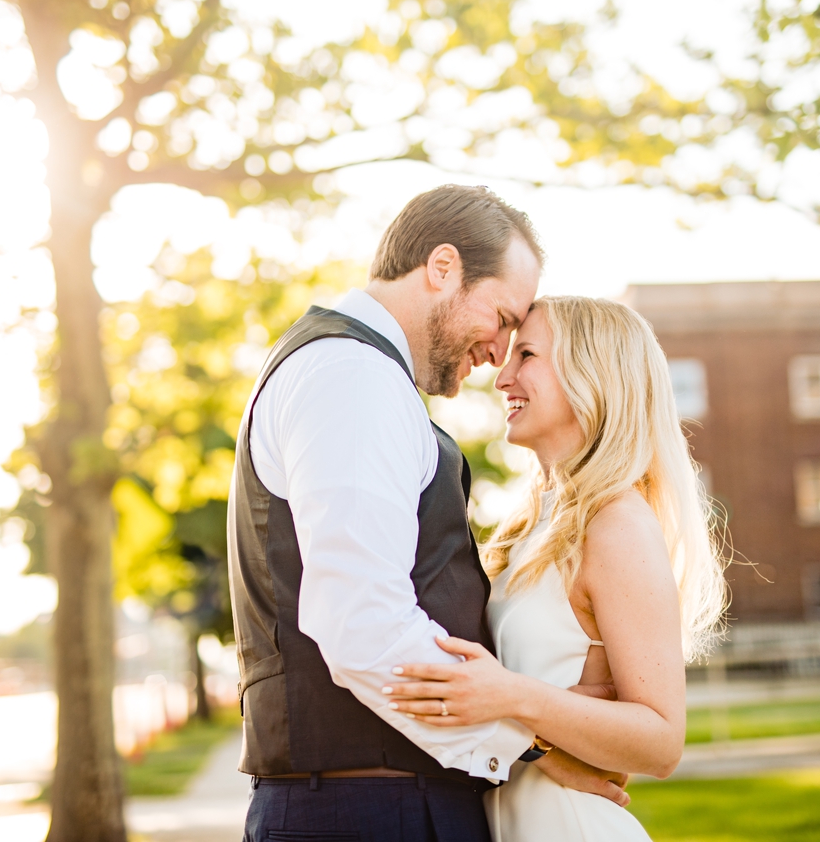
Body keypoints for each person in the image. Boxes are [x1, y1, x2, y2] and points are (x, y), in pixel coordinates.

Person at [228, 186, 626, 842]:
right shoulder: (352, 376)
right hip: (372, 815)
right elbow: (365, 625)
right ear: (442, 268)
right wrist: (534, 745)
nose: (500, 353)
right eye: (502, 317)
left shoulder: (352, 372)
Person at [383, 295, 729, 841]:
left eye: (527, 355)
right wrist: (535, 734)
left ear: (592, 374)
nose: (503, 378)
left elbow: (661, 741)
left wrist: (513, 695)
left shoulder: (615, 522)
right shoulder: (532, 523)